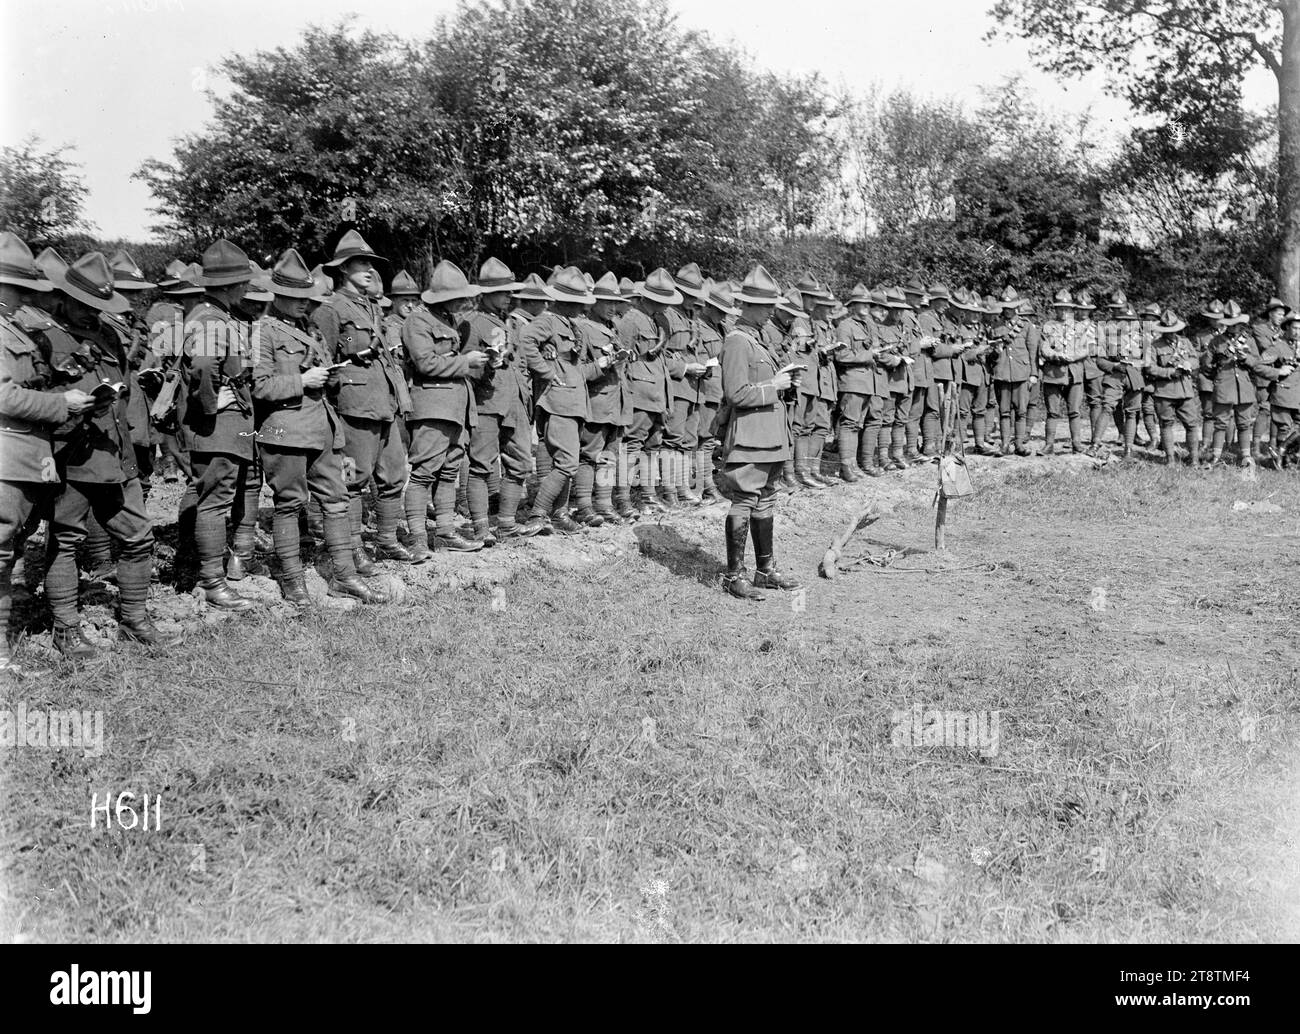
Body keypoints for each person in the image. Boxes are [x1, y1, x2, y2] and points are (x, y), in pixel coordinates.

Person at [43, 252, 173, 654]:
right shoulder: (47, 338)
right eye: (85, 305)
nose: (92, 314)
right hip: (71, 453)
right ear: (64, 298)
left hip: (115, 453)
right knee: (65, 540)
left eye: (98, 307)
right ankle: (66, 627)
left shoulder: (109, 335)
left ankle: (134, 618)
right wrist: (68, 405)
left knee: (138, 536)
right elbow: (32, 399)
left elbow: (124, 391)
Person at [254, 248, 386, 606]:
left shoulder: (310, 328)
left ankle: (344, 575)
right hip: (285, 429)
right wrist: (302, 379)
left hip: (322, 426)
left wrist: (330, 374)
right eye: (296, 298)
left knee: (337, 498)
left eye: (307, 298)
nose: (303, 304)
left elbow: (324, 374)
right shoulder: (261, 332)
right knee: (289, 503)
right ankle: (292, 579)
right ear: (277, 296)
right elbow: (260, 385)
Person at [0, 233, 96, 673]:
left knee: (7, 549)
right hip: (6, 452)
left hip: (24, 453)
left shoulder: (17, 330)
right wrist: (62, 405)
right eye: (18, 290)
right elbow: (5, 396)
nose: (25, 300)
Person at [312, 231, 413, 571]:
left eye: (371, 264)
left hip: (383, 402)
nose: (369, 270)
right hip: (353, 406)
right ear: (342, 270)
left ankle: (386, 540)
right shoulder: (331, 309)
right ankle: (354, 549)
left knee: (394, 474)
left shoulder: (371, 306)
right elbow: (321, 360)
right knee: (353, 480)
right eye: (361, 264)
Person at [717, 266, 800, 601]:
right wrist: (773, 385)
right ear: (747, 306)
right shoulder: (738, 341)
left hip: (768, 438)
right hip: (749, 438)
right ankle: (733, 576)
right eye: (766, 307)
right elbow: (736, 393)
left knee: (765, 500)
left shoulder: (756, 341)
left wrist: (784, 384)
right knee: (745, 501)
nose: (771, 313)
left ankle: (764, 570)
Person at [401, 260, 488, 556]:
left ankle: (446, 532)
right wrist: (466, 362)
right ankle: (417, 538)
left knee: (449, 472)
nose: (465, 301)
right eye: (459, 296)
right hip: (432, 408)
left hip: (456, 409)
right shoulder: (418, 321)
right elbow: (425, 362)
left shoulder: (449, 321)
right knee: (424, 473)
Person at [461, 258, 551, 542]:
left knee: (522, 464)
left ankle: (507, 525)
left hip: (515, 403)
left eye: (511, 291)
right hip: (486, 403)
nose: (509, 296)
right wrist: (485, 365)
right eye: (503, 292)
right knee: (481, 466)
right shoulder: (471, 324)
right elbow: (463, 367)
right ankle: (479, 528)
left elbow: (519, 365)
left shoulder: (512, 324)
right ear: (485, 294)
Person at [519, 266, 606, 535]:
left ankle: (559, 514)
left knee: (567, 462)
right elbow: (525, 340)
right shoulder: (548, 321)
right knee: (568, 463)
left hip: (573, 401)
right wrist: (546, 371)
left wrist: (602, 364)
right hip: (559, 403)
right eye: (578, 303)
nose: (582, 309)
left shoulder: (570, 325)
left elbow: (576, 370)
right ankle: (538, 514)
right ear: (565, 302)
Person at [618, 270, 681, 514]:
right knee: (632, 446)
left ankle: (648, 496)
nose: (665, 306)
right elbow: (621, 359)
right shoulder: (631, 320)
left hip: (658, 392)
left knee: (653, 445)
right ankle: (623, 500)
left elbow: (660, 357)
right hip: (638, 391)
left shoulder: (659, 320)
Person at [573, 273, 634, 525]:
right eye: (605, 302)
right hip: (597, 401)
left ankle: (605, 505)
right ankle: (584, 507)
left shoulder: (614, 329)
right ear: (592, 302)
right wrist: (605, 363)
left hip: (618, 401)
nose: (611, 307)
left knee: (610, 454)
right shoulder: (582, 329)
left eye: (614, 303)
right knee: (590, 455)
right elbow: (578, 372)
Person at [1201, 300, 1260, 466]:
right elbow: (1207, 367)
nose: (1234, 327)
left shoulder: (1250, 341)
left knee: (1244, 423)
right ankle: (1216, 457)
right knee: (1220, 423)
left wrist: (1245, 358)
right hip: (1224, 386)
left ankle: (1246, 457)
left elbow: (1257, 363)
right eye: (1231, 324)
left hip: (1245, 387)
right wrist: (1220, 358)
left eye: (1237, 324)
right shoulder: (1216, 341)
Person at [1146, 308, 1202, 466]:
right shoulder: (1154, 345)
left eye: (1174, 330)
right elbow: (1150, 368)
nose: (1171, 333)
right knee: (1166, 424)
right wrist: (1170, 372)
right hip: (1165, 392)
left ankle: (1195, 459)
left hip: (1185, 391)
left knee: (1192, 424)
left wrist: (1188, 364)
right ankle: (1170, 458)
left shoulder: (1185, 342)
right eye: (1167, 331)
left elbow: (1196, 360)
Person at [1038, 290, 1090, 454]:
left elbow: (1085, 349)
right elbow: (1044, 347)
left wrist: (1073, 357)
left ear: (1072, 310)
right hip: (1053, 373)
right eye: (1060, 308)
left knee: (1074, 411)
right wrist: (1055, 355)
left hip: (1074, 373)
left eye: (1067, 309)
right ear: (1056, 309)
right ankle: (1049, 445)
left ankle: (1076, 443)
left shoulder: (1080, 327)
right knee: (1052, 412)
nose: (1064, 312)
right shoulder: (1048, 326)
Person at [1094, 302, 1148, 460]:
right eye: (1123, 320)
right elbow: (1100, 361)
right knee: (1107, 407)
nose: (1127, 324)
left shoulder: (1143, 339)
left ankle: (1128, 450)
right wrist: (1115, 365)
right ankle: (1095, 444)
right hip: (1114, 377)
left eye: (1130, 321)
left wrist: (1135, 364)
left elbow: (1150, 361)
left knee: (1132, 413)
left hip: (1135, 379)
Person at [990, 287, 1039, 456]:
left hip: (1021, 372)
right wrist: (994, 351)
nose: (1008, 310)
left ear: (1016, 307)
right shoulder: (995, 324)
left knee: (1021, 411)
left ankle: (1019, 444)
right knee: (1004, 411)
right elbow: (990, 350)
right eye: (1005, 307)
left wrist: (1033, 374)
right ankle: (1004, 444)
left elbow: (1033, 352)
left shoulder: (1025, 326)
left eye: (1011, 307)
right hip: (1002, 372)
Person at [1251, 297, 1289, 462]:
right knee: (1264, 410)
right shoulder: (1259, 329)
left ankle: (1273, 447)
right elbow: (1268, 349)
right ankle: (1255, 448)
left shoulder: (1282, 331)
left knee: (1278, 411)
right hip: (1265, 377)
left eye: (1283, 314)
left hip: (1281, 376)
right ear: (1270, 314)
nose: (1281, 317)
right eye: (1279, 314)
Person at [1260, 311, 1300, 466]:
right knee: (1284, 428)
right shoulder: (1277, 346)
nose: (1298, 332)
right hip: (1284, 394)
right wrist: (1278, 371)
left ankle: (1291, 457)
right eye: (1295, 328)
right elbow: (1259, 365)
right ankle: (1282, 461)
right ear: (1287, 328)